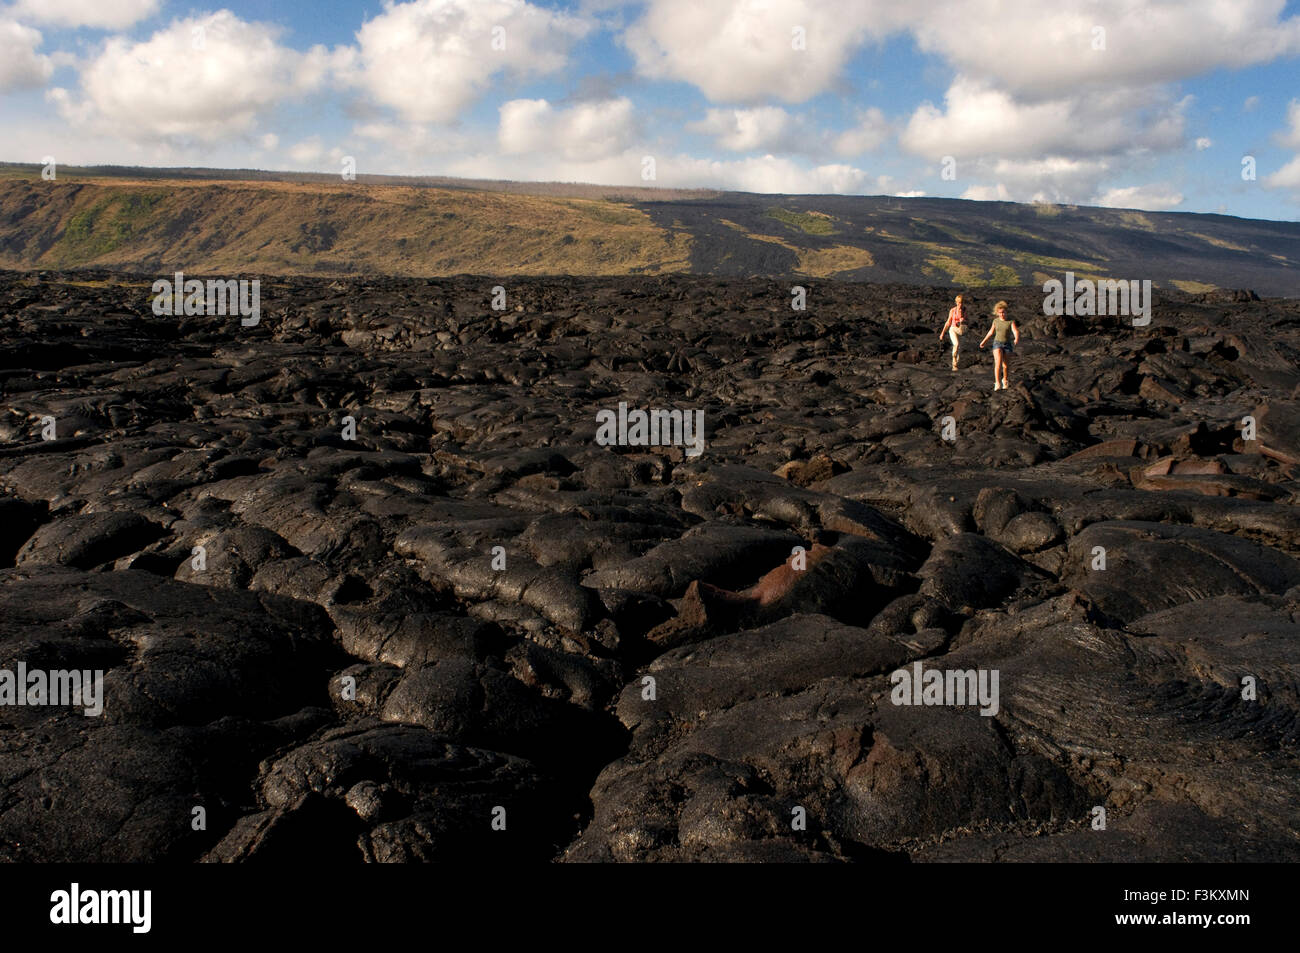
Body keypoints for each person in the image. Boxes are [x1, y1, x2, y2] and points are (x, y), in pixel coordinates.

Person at [978, 301, 1019, 392]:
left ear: (1006, 312)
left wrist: (1016, 338)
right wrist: (983, 341)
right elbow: (990, 332)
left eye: (1003, 312)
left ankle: (1005, 380)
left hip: (1007, 344)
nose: (1002, 314)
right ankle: (997, 383)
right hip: (997, 343)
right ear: (997, 313)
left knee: (1006, 366)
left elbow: (1015, 331)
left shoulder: (1010, 321)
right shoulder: (995, 321)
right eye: (1000, 312)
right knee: (998, 363)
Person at [937, 294, 967, 371]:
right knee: (956, 344)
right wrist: (942, 333)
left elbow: (968, 322)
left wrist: (964, 320)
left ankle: (956, 364)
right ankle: (954, 362)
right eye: (959, 302)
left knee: (960, 349)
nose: (960, 304)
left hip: (961, 330)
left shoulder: (965, 310)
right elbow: (948, 322)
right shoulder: (952, 310)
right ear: (956, 302)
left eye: (962, 302)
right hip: (953, 329)